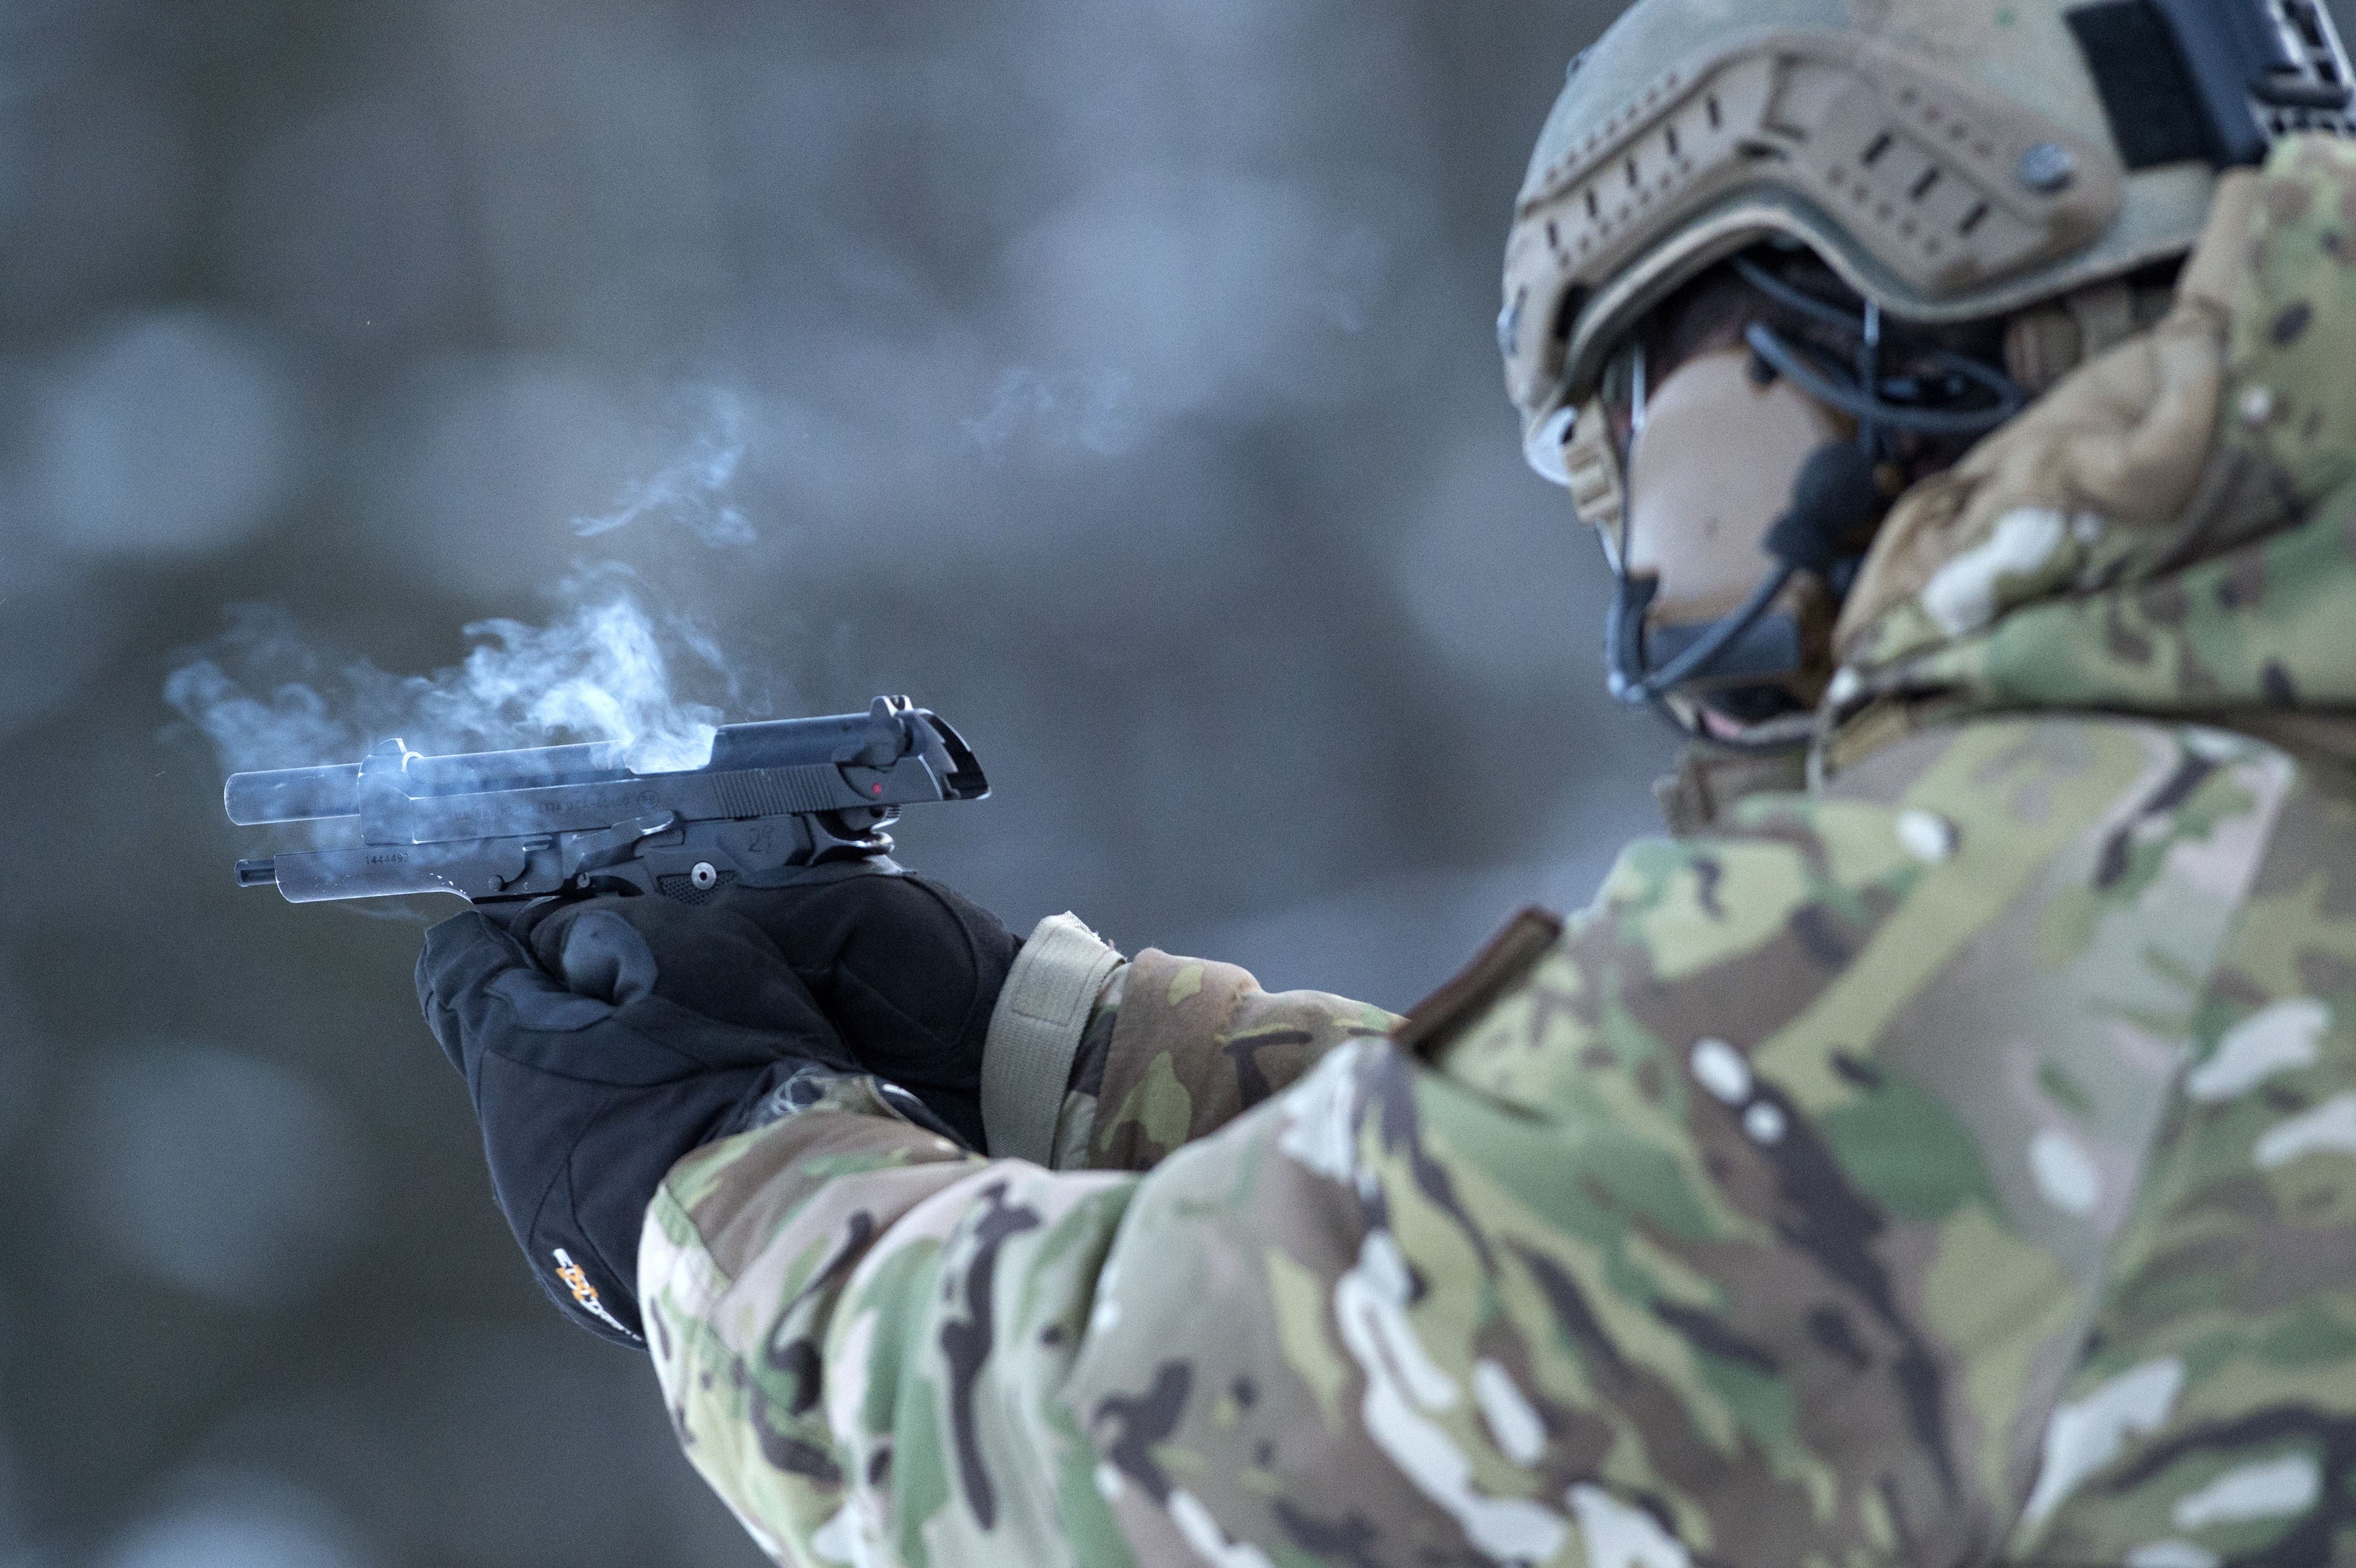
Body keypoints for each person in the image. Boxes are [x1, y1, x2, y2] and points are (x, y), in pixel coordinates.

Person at [416, 0, 2356, 1561]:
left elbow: (1140, 1463)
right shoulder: (2210, 815)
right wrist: (1057, 1053)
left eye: (1653, 428)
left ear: (1886, 302)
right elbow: (1697, 1251)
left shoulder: (2000, 918)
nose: (1650, 575)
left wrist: (719, 1167)